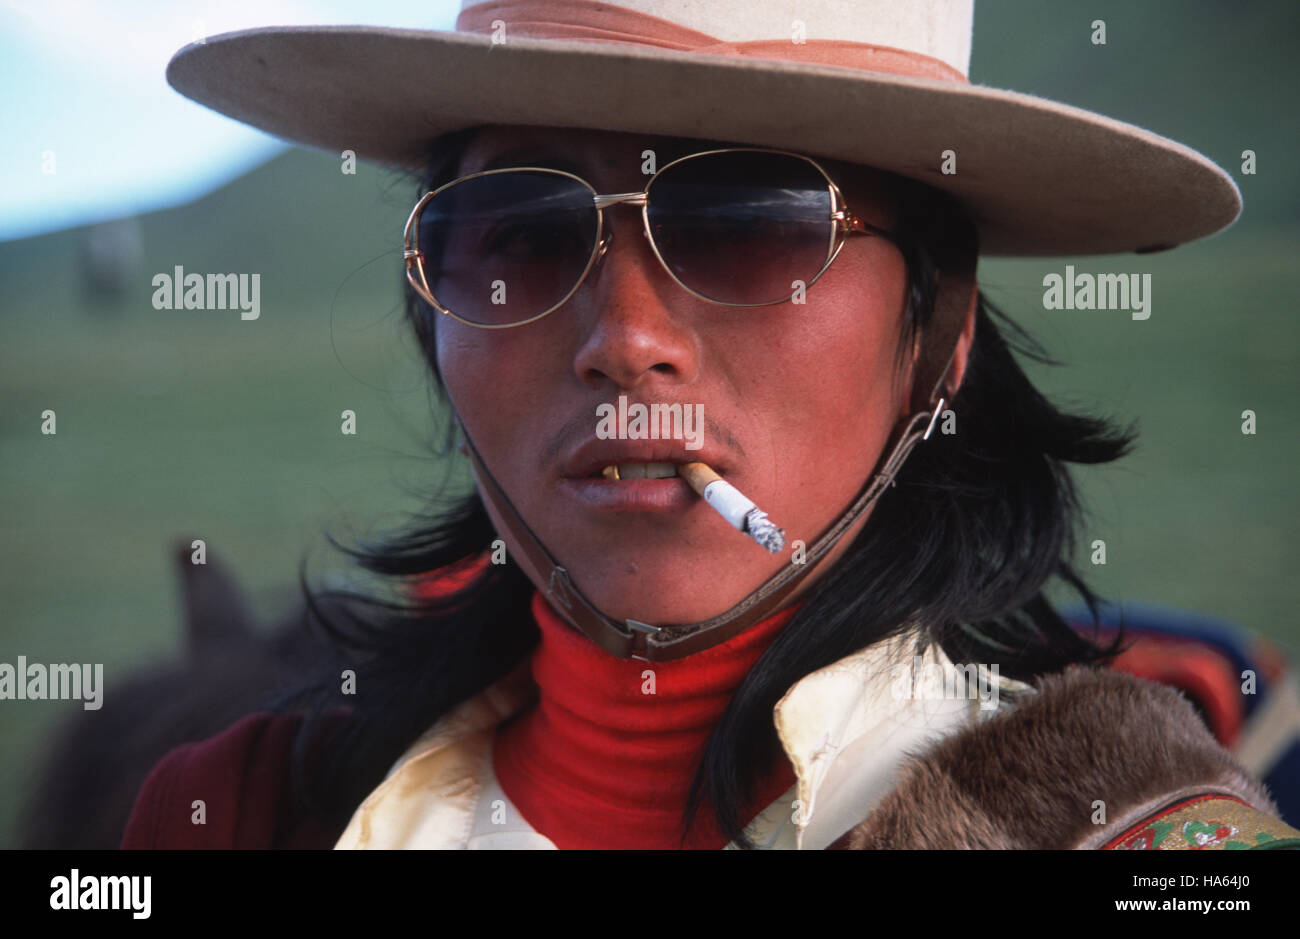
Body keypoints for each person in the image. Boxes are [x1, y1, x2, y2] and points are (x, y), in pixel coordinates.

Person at [122, 0, 1299, 850]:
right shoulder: (241, 812)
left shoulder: (1133, 836)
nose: (624, 338)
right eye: (520, 233)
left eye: (750, 222)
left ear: (939, 338)